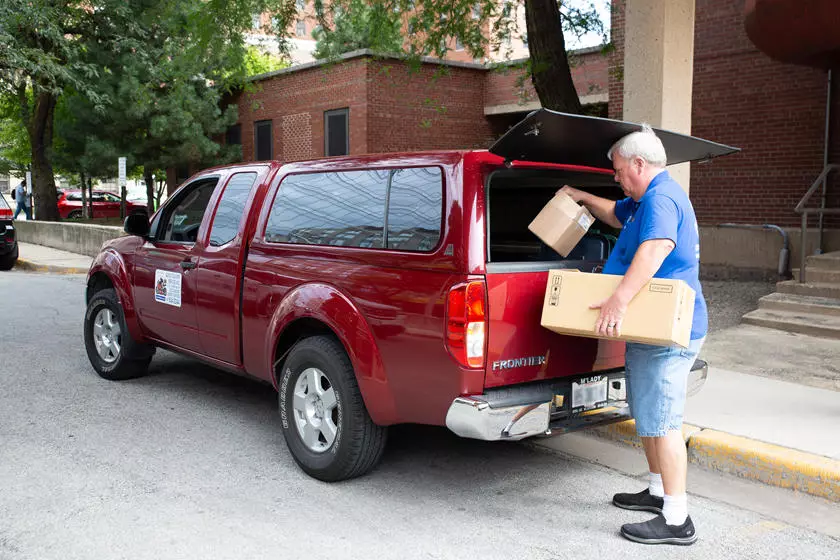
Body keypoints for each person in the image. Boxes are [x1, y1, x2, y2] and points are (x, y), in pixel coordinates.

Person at [560, 124, 706, 546]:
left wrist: (618, 300)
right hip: (650, 329)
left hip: (669, 332)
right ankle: (659, 493)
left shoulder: (661, 199)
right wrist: (581, 197)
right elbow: (613, 213)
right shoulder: (645, 200)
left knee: (664, 422)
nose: (617, 178)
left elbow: (656, 248)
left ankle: (678, 520)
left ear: (640, 164)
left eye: (621, 171)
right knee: (647, 414)